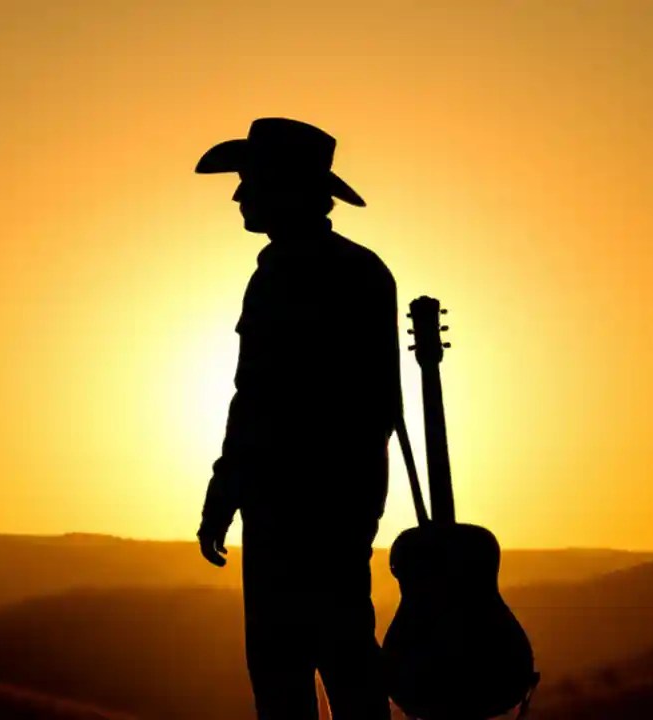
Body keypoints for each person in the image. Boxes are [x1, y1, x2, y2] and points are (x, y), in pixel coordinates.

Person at [194, 118, 402, 720]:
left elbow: (260, 398)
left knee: (286, 667)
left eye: (249, 181)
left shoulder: (284, 276)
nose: (238, 195)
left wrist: (228, 489)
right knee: (344, 656)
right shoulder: (360, 270)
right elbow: (377, 407)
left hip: (291, 504)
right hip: (341, 499)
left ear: (283, 186)